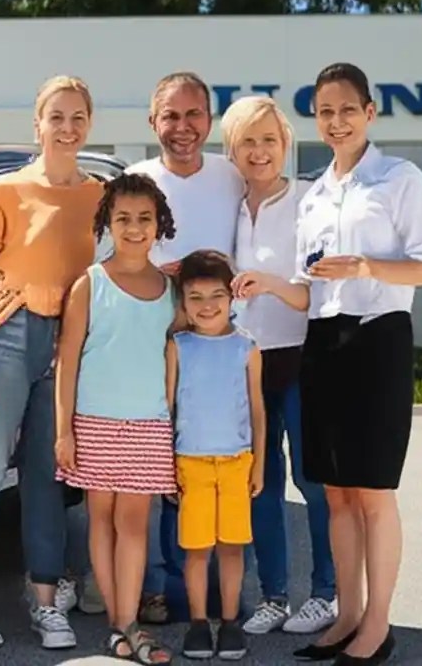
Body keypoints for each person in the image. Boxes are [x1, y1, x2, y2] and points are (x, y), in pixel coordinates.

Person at [0, 74, 107, 650]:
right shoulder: (2, 192)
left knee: (48, 474)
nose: (66, 128)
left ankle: (44, 602)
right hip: (3, 337)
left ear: (89, 125)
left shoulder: (100, 197)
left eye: (77, 117)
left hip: (65, 343)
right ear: (36, 125)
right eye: (56, 117)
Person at [289, 63, 422, 665]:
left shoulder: (399, 178)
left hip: (378, 340)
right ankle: (346, 617)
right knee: (336, 494)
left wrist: (366, 267)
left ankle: (378, 625)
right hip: (323, 343)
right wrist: (272, 287)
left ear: (370, 112)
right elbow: (310, 287)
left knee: (374, 492)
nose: (335, 122)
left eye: (346, 109)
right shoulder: (314, 195)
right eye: (325, 112)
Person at [126, 72, 245, 625]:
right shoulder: (136, 179)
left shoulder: (230, 176)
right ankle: (154, 586)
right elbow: (114, 265)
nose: (183, 127)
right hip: (153, 346)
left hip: (218, 351)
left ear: (210, 120)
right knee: (156, 469)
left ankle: (218, 592)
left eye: (194, 114)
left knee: (211, 464)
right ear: (154, 122)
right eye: (170, 116)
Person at [222, 95, 339, 637]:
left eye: (269, 139)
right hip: (244, 365)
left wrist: (267, 283)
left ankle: (324, 593)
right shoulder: (226, 204)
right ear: (232, 149)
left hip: (300, 358)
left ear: (286, 144)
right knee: (260, 485)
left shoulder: (308, 201)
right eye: (248, 140)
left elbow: (314, 296)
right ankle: (272, 595)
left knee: (312, 481)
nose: (259, 150)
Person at [55, 172, 178, 665]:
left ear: (159, 225)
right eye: (123, 218)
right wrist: (63, 429)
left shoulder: (172, 289)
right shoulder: (90, 284)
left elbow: (177, 363)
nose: (133, 228)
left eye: (144, 219)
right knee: (100, 522)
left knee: (134, 526)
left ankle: (128, 622)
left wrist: (175, 428)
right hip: (94, 422)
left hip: (148, 425)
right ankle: (118, 626)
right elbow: (67, 359)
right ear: (108, 221)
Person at [166, 249, 265, 661]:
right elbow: (167, 409)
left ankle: (229, 623)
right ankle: (197, 624)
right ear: (183, 303)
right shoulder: (179, 346)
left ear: (232, 297)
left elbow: (258, 408)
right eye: (195, 297)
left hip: (236, 461)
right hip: (191, 461)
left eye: (216, 296)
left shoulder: (246, 347)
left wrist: (259, 461)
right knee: (196, 549)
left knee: (231, 547)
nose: (207, 306)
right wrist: (166, 464)